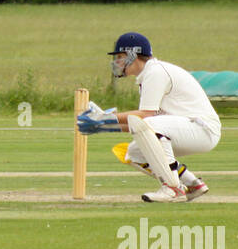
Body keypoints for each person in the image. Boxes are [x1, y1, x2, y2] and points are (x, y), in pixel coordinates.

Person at [77, 32, 220, 203]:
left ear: (132, 55)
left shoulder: (156, 72)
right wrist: (103, 126)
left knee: (151, 125)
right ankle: (192, 184)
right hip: (188, 128)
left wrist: (106, 118)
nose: (117, 62)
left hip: (202, 129)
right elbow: (141, 125)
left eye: (121, 56)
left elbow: (146, 117)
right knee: (135, 152)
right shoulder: (147, 76)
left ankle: (172, 189)